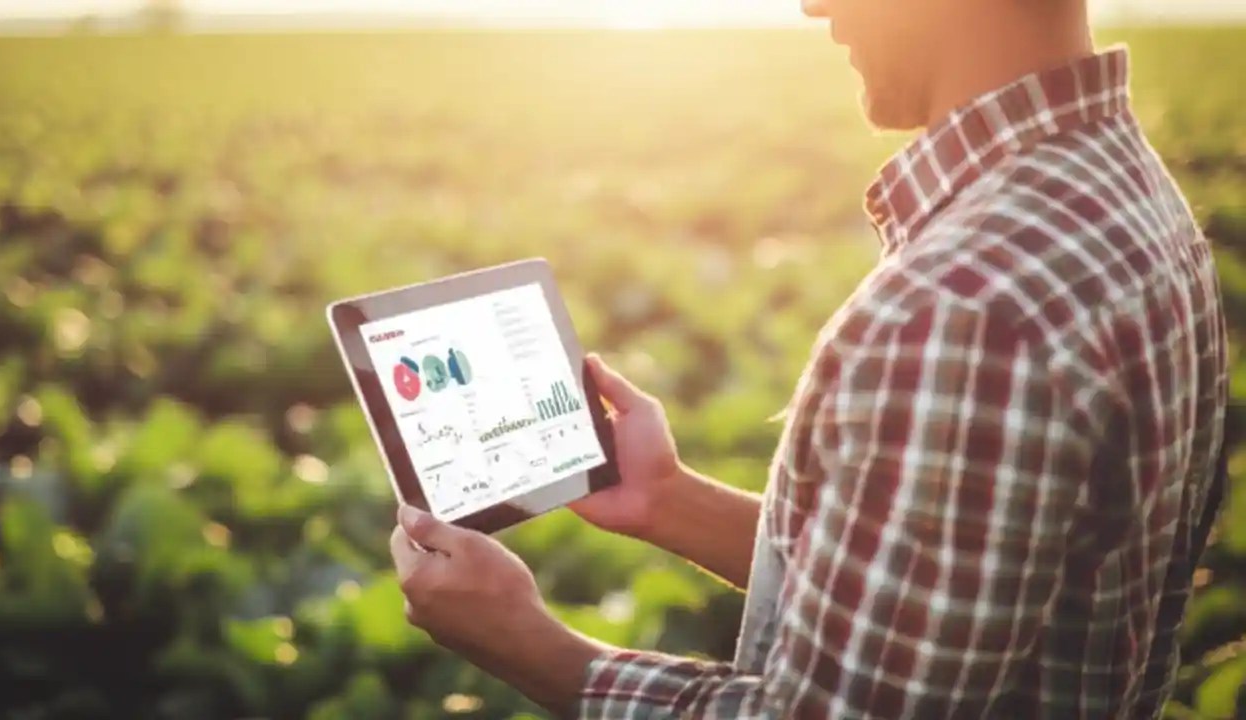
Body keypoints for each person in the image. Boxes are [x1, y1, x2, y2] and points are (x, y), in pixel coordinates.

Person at [389, 0, 1229, 716]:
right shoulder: (1127, 192)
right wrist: (670, 502)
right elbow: (957, 595)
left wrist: (527, 640)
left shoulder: (961, 307)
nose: (813, 5)